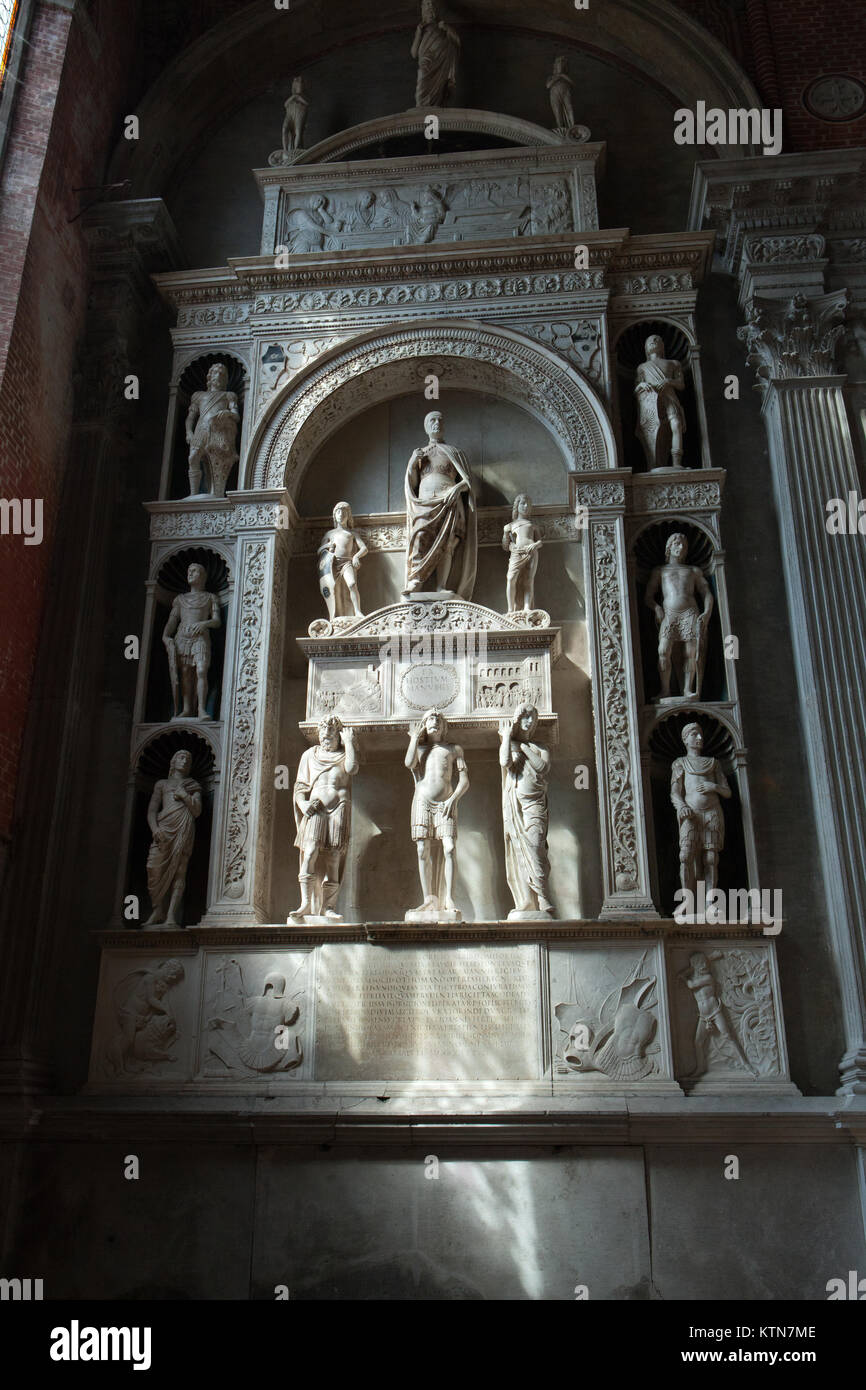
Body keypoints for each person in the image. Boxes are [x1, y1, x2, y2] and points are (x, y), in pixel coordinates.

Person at [289, 717, 358, 923]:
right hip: (316, 808)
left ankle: (329, 907)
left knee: (334, 858)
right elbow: (300, 787)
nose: (326, 738)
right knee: (309, 852)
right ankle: (306, 903)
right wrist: (302, 804)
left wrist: (351, 742)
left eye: (331, 735)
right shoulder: (310, 755)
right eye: (323, 735)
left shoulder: (345, 755)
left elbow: (352, 768)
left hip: (339, 807)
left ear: (339, 736)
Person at [404, 410, 477, 596]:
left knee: (448, 543)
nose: (436, 423)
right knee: (420, 536)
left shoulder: (455, 452)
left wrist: (457, 488)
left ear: (443, 426)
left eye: (439, 420)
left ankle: (441, 586)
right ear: (426, 427)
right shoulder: (420, 453)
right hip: (425, 503)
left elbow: (467, 482)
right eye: (432, 420)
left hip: (450, 502)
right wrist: (413, 464)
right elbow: (412, 484)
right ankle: (415, 581)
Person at [405, 709, 469, 916]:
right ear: (424, 724)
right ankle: (429, 899)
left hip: (445, 802)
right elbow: (409, 763)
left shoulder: (454, 749)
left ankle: (448, 897)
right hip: (422, 800)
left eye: (438, 719)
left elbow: (464, 780)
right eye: (430, 719)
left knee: (449, 848)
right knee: (422, 849)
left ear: (444, 726)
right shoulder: (420, 748)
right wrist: (414, 738)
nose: (435, 722)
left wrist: (454, 799)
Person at [499, 704, 553, 917]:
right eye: (525, 717)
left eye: (533, 718)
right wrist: (505, 739)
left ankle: (542, 895)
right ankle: (530, 899)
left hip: (536, 805)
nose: (529, 722)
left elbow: (542, 767)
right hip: (516, 806)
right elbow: (505, 763)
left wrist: (522, 747)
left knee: (535, 845)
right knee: (520, 850)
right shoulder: (509, 745)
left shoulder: (540, 746)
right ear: (517, 719)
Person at [644, 532, 712, 699]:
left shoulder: (693, 571)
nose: (680, 548)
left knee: (690, 652)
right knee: (663, 651)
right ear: (669, 547)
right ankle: (665, 690)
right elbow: (648, 596)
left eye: (683, 545)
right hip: (669, 614)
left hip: (690, 612)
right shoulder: (660, 571)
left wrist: (707, 613)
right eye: (677, 544)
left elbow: (706, 593)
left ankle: (687, 689)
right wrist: (656, 608)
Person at [670, 723, 731, 896]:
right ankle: (687, 900)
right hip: (691, 814)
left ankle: (710, 901)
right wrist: (682, 806)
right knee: (685, 856)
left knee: (711, 858)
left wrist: (714, 787)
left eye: (700, 735)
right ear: (685, 739)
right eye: (694, 734)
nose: (699, 738)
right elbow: (675, 792)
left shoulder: (713, 763)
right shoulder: (680, 763)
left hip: (712, 813)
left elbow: (727, 792)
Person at [144, 751, 202, 926]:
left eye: (188, 759)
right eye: (181, 758)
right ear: (173, 761)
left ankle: (171, 916)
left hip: (183, 829)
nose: (184, 761)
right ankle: (158, 910)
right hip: (163, 830)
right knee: (153, 869)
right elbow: (152, 810)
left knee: (179, 870)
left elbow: (197, 810)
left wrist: (184, 795)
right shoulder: (161, 784)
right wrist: (154, 829)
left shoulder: (193, 786)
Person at [163, 562, 221, 719]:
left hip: (200, 638)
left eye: (194, 571)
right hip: (182, 637)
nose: (190, 573)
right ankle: (187, 709)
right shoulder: (180, 600)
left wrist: (204, 623)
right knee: (186, 673)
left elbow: (217, 621)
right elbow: (172, 622)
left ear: (202, 576)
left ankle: (201, 709)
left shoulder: (210, 598)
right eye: (189, 571)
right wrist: (166, 637)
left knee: (201, 670)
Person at [185, 361, 240, 497]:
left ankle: (215, 493)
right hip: (201, 429)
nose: (219, 376)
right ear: (210, 376)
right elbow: (191, 417)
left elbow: (236, 416)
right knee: (193, 458)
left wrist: (228, 413)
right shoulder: (198, 396)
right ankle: (193, 494)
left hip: (218, 431)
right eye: (216, 373)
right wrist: (189, 432)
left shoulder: (228, 395)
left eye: (222, 374)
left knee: (214, 462)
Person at [634, 333, 686, 470]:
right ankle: (654, 463)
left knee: (676, 425)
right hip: (651, 401)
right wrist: (642, 386)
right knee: (654, 429)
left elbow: (681, 384)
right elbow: (637, 387)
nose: (654, 340)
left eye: (657, 339)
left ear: (662, 345)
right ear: (646, 348)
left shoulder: (674, 363)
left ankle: (676, 462)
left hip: (669, 397)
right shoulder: (642, 367)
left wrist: (669, 381)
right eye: (650, 340)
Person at [317, 502, 367, 621]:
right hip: (332, 564)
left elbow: (364, 548)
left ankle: (358, 611)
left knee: (352, 584)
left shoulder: (352, 534)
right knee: (332, 589)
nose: (341, 514)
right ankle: (334, 615)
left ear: (348, 516)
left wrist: (356, 556)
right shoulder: (330, 534)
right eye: (338, 512)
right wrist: (327, 545)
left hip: (347, 563)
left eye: (344, 512)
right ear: (334, 516)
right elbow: (319, 551)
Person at [411, 0, 460, 108]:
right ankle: (421, 106)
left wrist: (446, 28)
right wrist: (419, 32)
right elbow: (414, 53)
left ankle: (436, 106)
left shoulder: (442, 27)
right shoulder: (422, 29)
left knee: (440, 89)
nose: (430, 8)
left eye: (432, 6)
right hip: (426, 61)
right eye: (427, 5)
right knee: (423, 77)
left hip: (442, 62)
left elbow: (457, 42)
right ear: (423, 10)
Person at [502, 494, 542, 613]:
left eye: (528, 505)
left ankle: (527, 608)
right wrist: (505, 533)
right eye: (523, 503)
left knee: (528, 580)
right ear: (517, 505)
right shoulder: (510, 525)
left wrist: (534, 545)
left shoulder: (533, 525)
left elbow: (540, 542)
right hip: (516, 554)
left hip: (531, 552)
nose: (526, 506)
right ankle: (510, 610)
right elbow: (505, 546)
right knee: (510, 578)